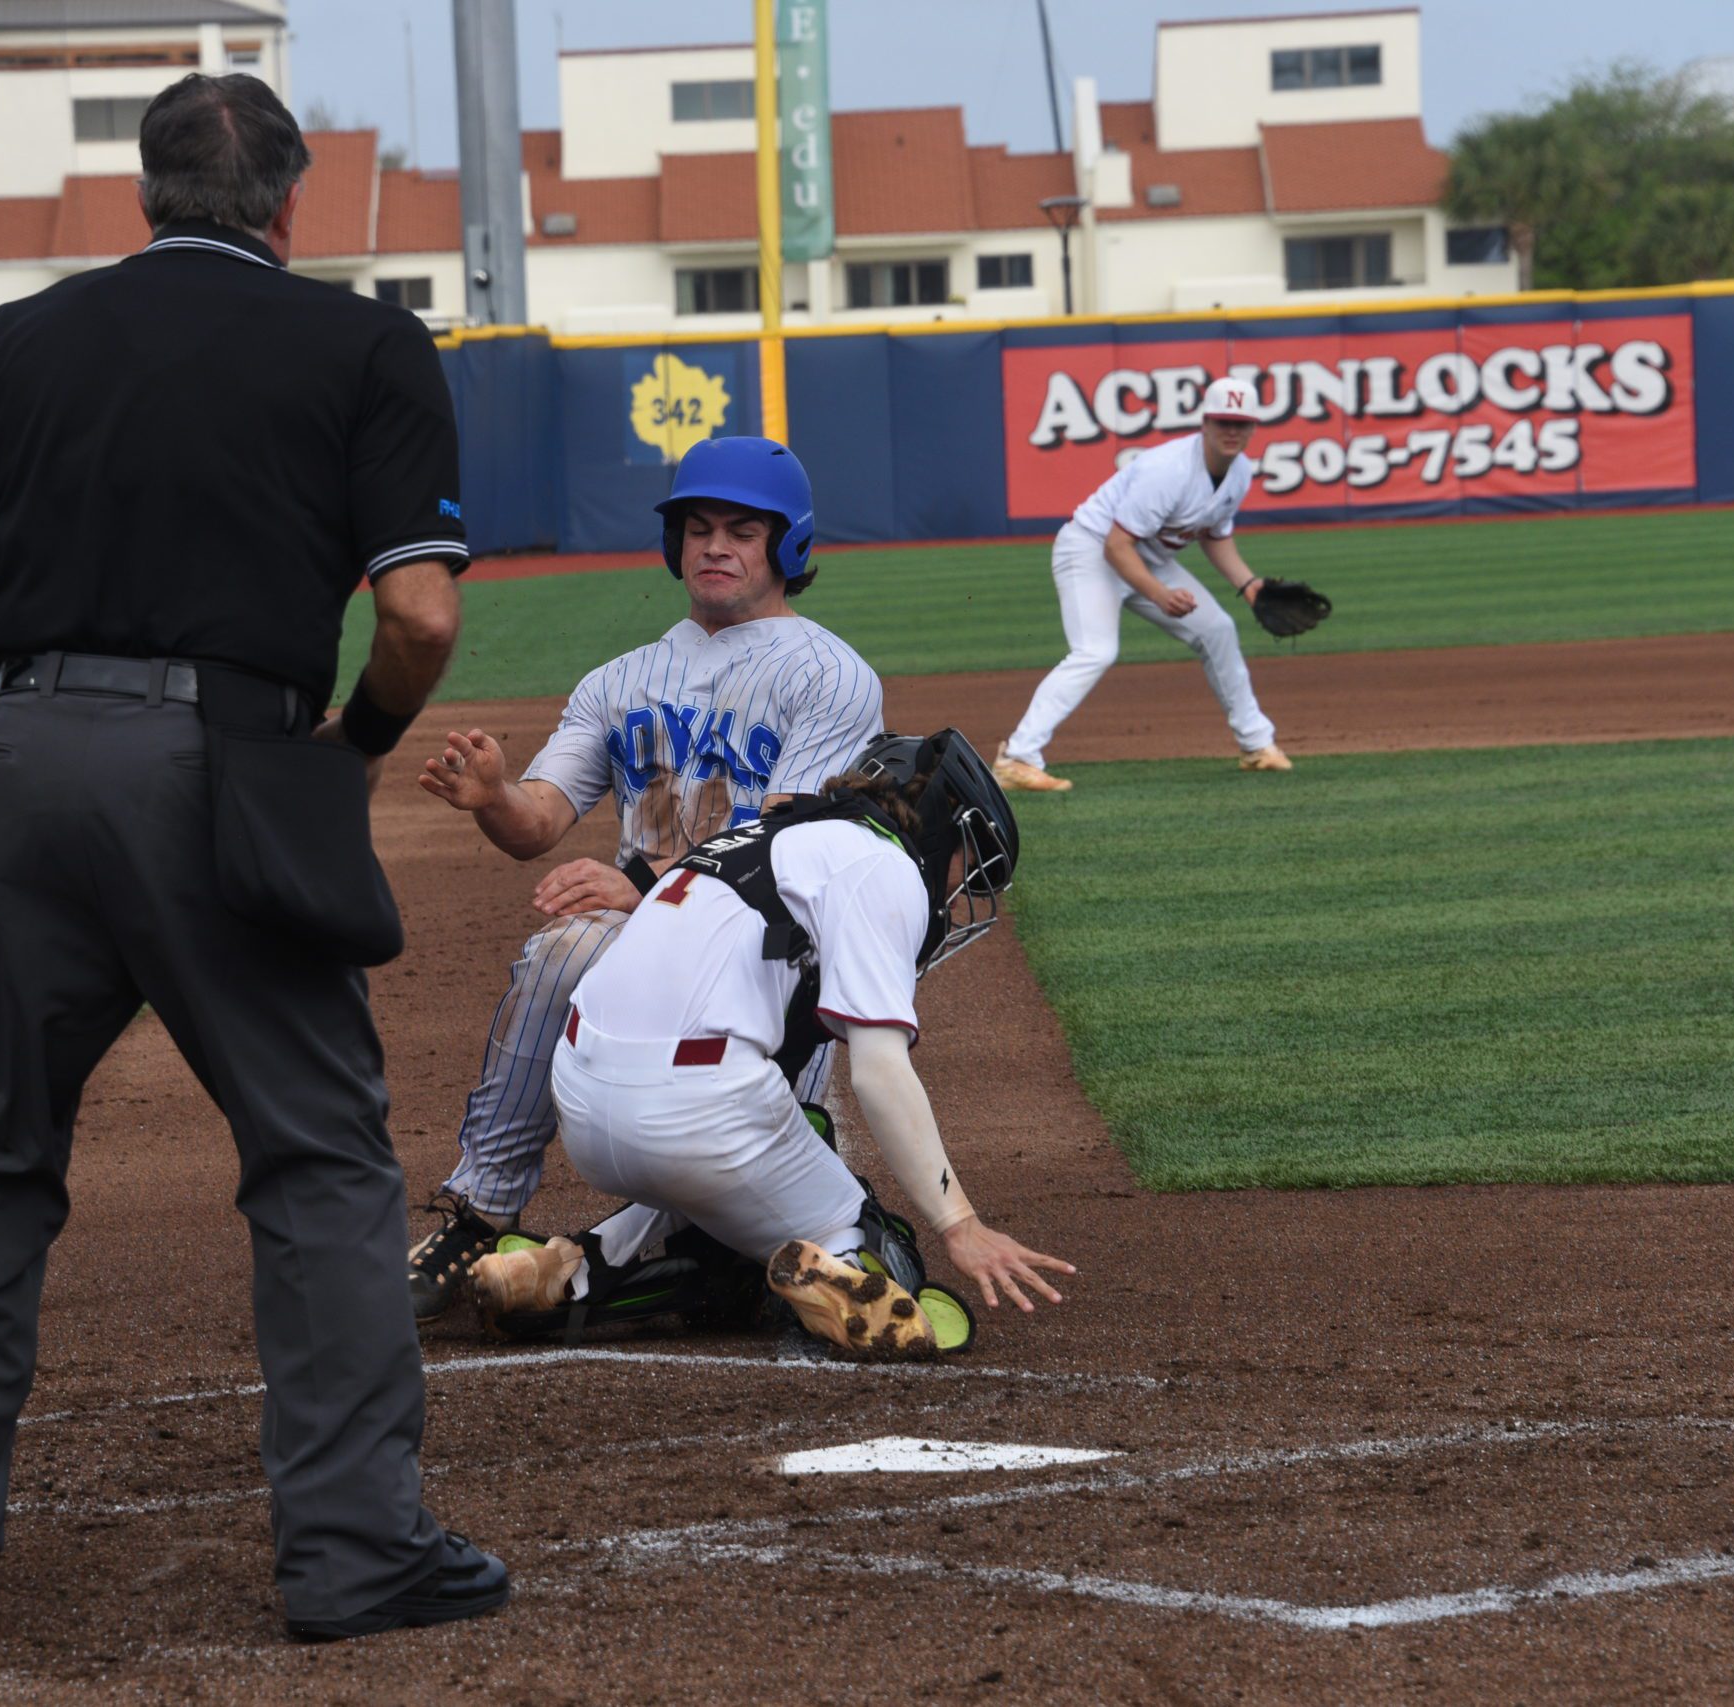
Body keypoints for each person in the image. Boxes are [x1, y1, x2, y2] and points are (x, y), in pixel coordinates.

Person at [0, 72, 507, 1645]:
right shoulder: (362, 340)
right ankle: (356, 1549)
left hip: (22, 758)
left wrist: (72, 669)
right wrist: (343, 742)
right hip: (230, 760)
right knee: (320, 1156)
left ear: (140, 194)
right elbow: (418, 615)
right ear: (296, 199)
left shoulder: (24, 334)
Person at [404, 437, 884, 1324]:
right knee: (566, 948)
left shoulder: (829, 676)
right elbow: (538, 822)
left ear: (790, 545)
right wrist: (494, 794)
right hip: (650, 955)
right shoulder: (620, 679)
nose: (714, 545)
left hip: (767, 961)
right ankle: (480, 1211)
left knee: (721, 1249)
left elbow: (787, 840)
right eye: (696, 528)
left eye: (742, 529)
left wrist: (643, 883)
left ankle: (648, 1251)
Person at [466, 731, 1074, 1358]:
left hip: (586, 1103)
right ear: (939, 825)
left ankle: (569, 1267)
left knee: (771, 1155)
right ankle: (842, 1255)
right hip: (695, 1112)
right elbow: (879, 1071)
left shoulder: (768, 832)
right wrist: (960, 1226)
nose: (958, 888)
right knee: (879, 1248)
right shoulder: (881, 861)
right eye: (965, 864)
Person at [994, 376, 1293, 792]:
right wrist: (1160, 594)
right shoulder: (1168, 470)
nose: (1232, 431)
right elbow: (1116, 546)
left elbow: (1215, 536)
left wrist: (1249, 585)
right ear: (1205, 423)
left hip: (1145, 557)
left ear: (1253, 428)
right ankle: (1017, 757)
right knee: (1095, 650)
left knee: (1218, 630)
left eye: (1240, 423)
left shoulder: (1238, 472)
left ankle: (1257, 746)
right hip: (1090, 549)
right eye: (1224, 421)